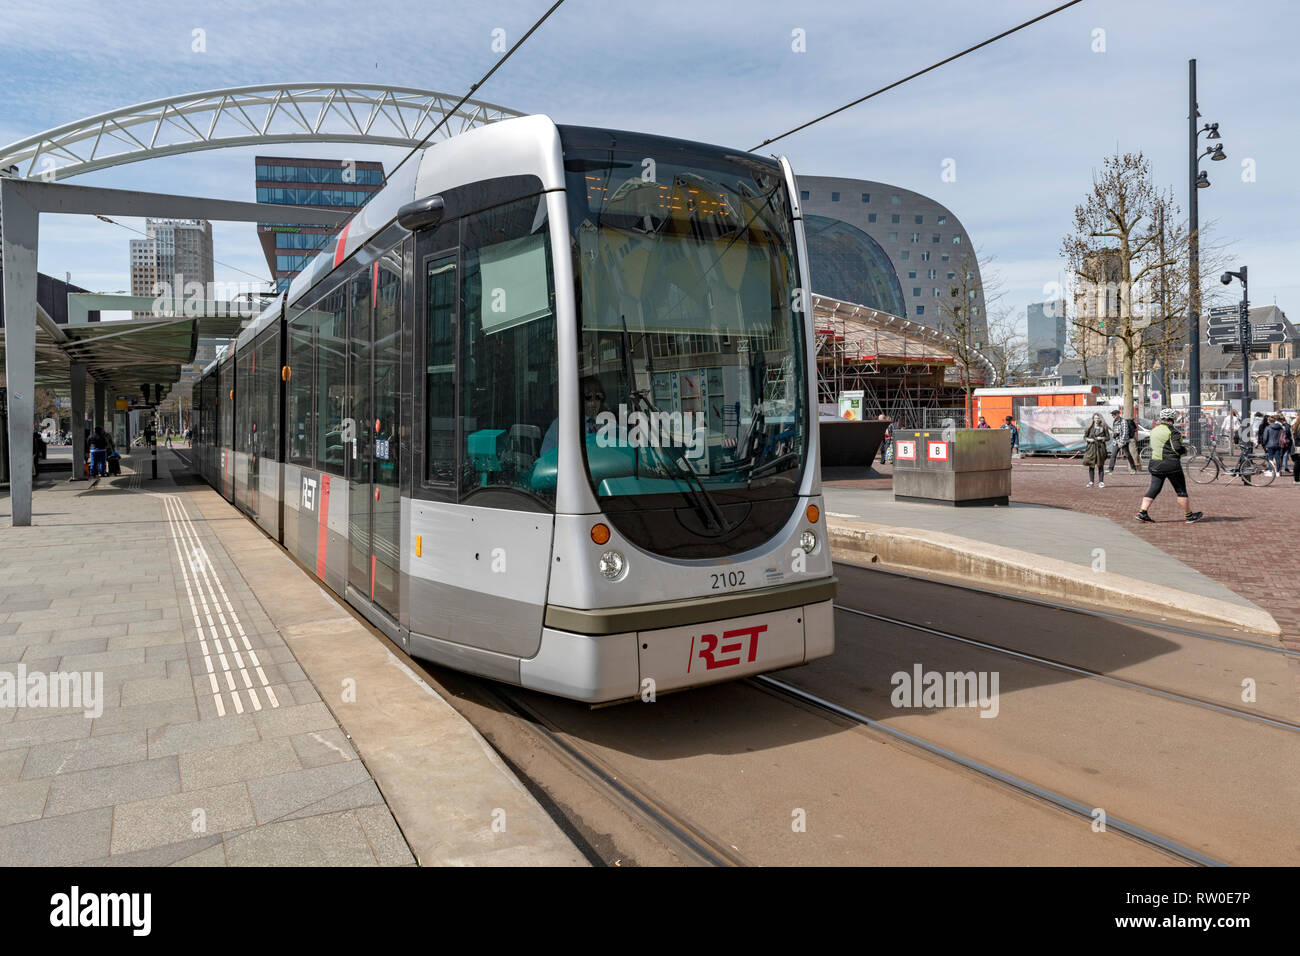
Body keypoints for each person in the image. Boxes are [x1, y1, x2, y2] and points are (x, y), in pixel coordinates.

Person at [1136, 407, 1202, 523]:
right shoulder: (1173, 431)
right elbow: (1176, 447)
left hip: (1155, 464)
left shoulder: (1154, 430)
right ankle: (1189, 516)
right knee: (1181, 490)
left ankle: (1142, 512)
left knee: (1154, 489)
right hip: (1171, 465)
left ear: (1161, 418)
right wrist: (1184, 450)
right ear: (1173, 418)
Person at [540, 374, 605, 456]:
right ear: (578, 398)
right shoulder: (561, 425)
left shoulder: (607, 423)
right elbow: (546, 455)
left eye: (598, 396)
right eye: (588, 397)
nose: (594, 402)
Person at [1083, 411, 1110, 487]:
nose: (1097, 419)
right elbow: (1084, 437)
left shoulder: (1104, 427)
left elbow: (1108, 437)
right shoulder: (1089, 427)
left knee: (1100, 465)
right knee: (1091, 465)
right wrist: (1089, 440)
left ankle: (1101, 482)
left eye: (1098, 418)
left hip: (1101, 448)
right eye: (1095, 418)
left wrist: (1102, 438)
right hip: (1091, 448)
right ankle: (1091, 482)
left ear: (1100, 419)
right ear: (1093, 419)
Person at [1107, 407, 1137, 474]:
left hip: (1123, 442)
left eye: (1114, 414)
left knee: (1127, 455)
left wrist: (1122, 442)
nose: (1113, 416)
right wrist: (1114, 434)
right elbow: (1116, 430)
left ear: (1118, 414)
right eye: (1112, 415)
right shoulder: (1114, 421)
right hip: (1116, 441)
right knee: (1113, 455)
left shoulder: (1123, 421)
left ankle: (1133, 469)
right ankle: (1110, 469)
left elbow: (1125, 432)